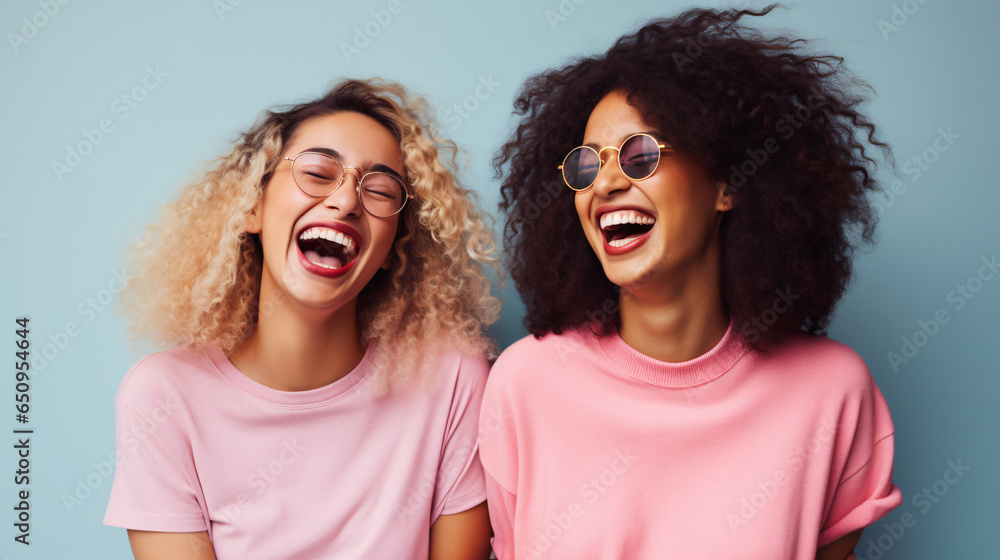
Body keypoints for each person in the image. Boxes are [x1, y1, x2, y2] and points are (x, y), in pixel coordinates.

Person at [482, 6, 902, 559]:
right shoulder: (526, 385)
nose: (604, 182)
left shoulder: (834, 393)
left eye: (640, 156)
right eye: (586, 166)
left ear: (727, 185)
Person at [104, 78, 499, 560]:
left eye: (379, 189)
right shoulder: (163, 397)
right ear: (251, 205)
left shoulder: (451, 377)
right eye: (316, 172)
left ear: (394, 249)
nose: (347, 200)